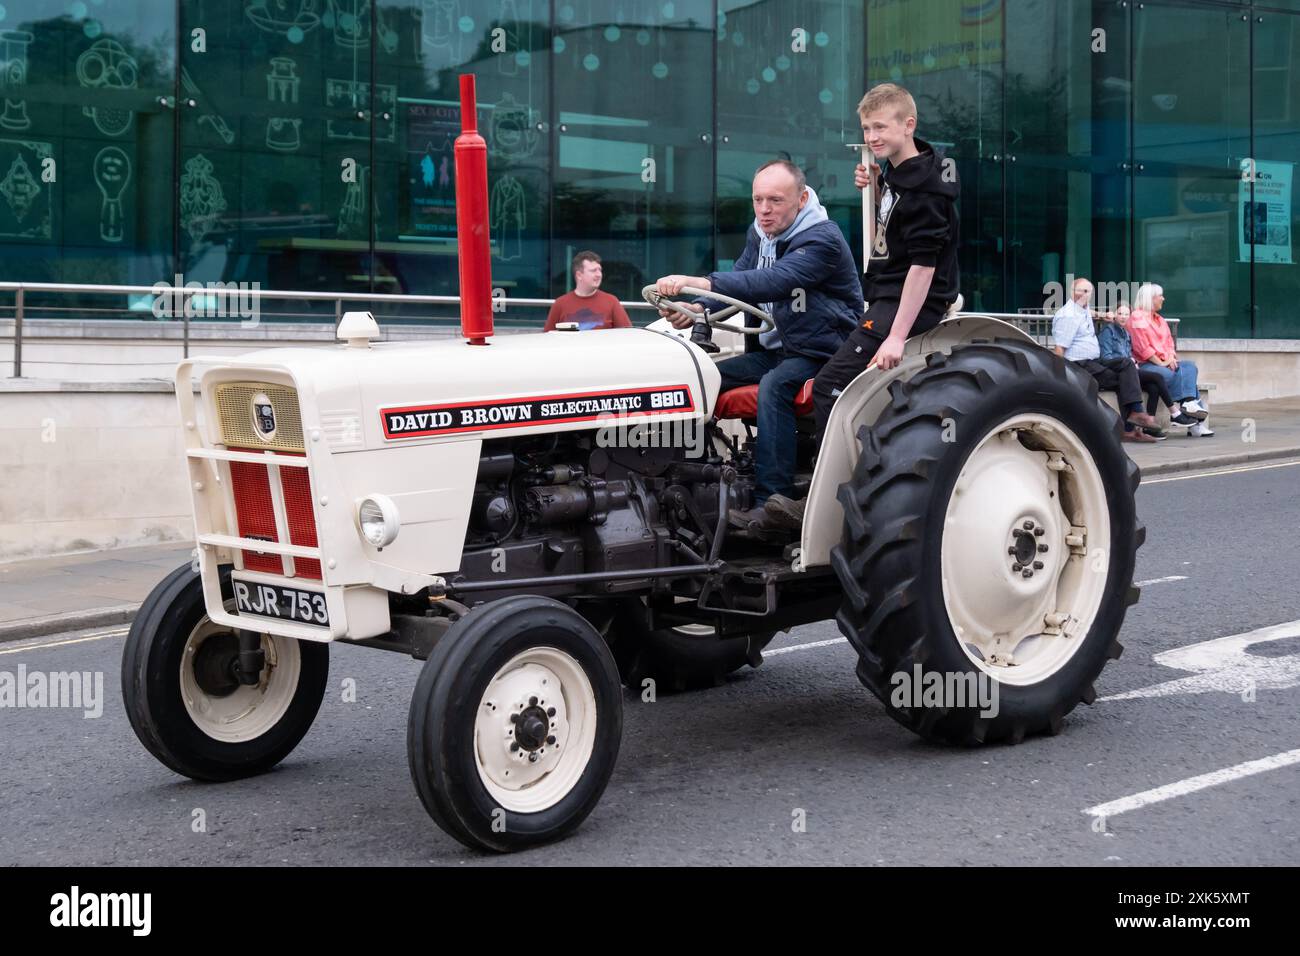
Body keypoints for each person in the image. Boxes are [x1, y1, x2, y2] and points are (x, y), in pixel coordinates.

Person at [764, 82, 961, 529]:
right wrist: (875, 186)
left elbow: (923, 269)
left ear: (908, 125)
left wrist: (895, 335)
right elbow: (889, 236)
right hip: (887, 296)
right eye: (866, 128)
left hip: (909, 301)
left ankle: (832, 505)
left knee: (831, 387)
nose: (871, 136)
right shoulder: (899, 170)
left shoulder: (928, 188)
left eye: (880, 127)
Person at [653, 160, 860, 531]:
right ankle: (686, 480)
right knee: (702, 377)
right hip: (777, 350)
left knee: (776, 386)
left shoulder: (822, 239)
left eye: (775, 201)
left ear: (802, 199)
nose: (764, 210)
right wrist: (697, 308)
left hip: (821, 351)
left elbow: (771, 281)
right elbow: (742, 278)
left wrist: (698, 282)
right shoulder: (761, 234)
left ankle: (772, 502)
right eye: (758, 200)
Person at [1050, 277, 1160, 443]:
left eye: (1088, 292)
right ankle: (1132, 423)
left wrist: (1103, 315)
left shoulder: (1082, 309)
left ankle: (1134, 420)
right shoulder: (1068, 316)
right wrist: (1058, 378)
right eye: (1081, 291)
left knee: (1126, 363)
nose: (1084, 295)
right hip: (1079, 366)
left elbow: (1090, 313)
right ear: (1072, 293)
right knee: (1123, 379)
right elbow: (1059, 349)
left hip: (1094, 362)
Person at [1129, 283, 1214, 437]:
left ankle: (1188, 404)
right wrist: (1162, 363)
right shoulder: (1137, 316)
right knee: (1169, 376)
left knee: (1189, 367)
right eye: (1160, 296)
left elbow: (1169, 343)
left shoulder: (1160, 319)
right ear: (1150, 298)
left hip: (1164, 362)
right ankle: (1193, 419)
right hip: (1146, 365)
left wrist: (1170, 358)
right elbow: (1142, 347)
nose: (1163, 298)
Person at [1100, 303, 1197, 434]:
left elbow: (1129, 354)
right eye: (1120, 313)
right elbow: (1105, 358)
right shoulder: (1108, 331)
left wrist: (1131, 361)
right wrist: (1128, 361)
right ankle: (1175, 412)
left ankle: (1148, 426)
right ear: (1114, 315)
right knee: (1157, 377)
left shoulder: (1126, 334)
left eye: (1126, 314)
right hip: (1117, 372)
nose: (1123, 317)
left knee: (1153, 387)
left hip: (1130, 370)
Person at [543, 251, 632, 331]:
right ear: (579, 275)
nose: (599, 274)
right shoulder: (560, 304)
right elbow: (547, 339)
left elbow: (627, 336)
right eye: (593, 271)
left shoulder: (612, 302)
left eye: (599, 270)